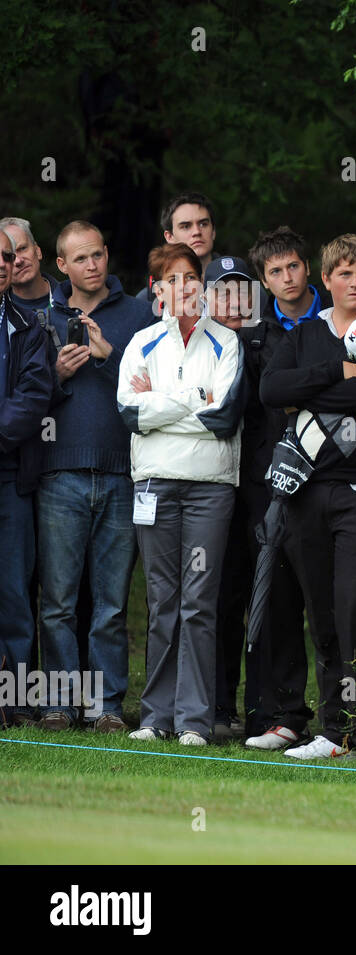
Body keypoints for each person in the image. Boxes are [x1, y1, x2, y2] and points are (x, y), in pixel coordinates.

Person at [257, 234, 356, 757]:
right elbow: (272, 391)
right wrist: (333, 372)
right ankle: (333, 729)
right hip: (307, 491)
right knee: (321, 611)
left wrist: (312, 390)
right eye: (344, 273)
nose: (355, 282)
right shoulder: (305, 334)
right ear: (327, 280)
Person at [117, 242, 242, 745]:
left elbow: (224, 416)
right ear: (156, 289)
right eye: (171, 279)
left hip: (210, 489)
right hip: (154, 483)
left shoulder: (225, 343)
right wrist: (193, 401)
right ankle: (155, 717)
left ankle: (193, 720)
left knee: (199, 602)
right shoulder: (141, 342)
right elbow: (129, 412)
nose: (183, 287)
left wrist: (159, 404)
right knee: (163, 599)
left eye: (190, 277)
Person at [36, 221, 152, 731]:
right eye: (80, 258)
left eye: (99, 254)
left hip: (122, 473)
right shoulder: (41, 317)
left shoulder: (138, 313)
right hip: (59, 473)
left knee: (109, 603)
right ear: (61, 265)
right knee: (58, 600)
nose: (92, 265)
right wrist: (55, 376)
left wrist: (110, 359)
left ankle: (105, 707)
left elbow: (151, 386)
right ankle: (59, 702)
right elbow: (21, 399)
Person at [205, 255, 296, 740]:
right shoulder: (196, 345)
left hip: (262, 490)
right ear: (207, 298)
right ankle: (218, 708)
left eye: (241, 290)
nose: (233, 300)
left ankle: (263, 712)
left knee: (268, 595)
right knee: (219, 597)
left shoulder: (277, 341)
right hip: (211, 485)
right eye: (223, 291)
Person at [0, 228, 56, 728]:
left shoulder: (28, 326)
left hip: (10, 474)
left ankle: (13, 701)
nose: (3, 262)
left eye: (7, 255)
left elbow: (34, 395)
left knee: (15, 593)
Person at [248, 226, 326, 330]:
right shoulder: (254, 333)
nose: (287, 278)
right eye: (275, 271)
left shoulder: (340, 310)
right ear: (264, 281)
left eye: (293, 266)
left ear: (307, 268)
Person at [0, 217, 58, 318]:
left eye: (22, 248)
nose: (18, 261)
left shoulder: (74, 297)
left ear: (38, 251)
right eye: (9, 255)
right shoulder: (2, 316)